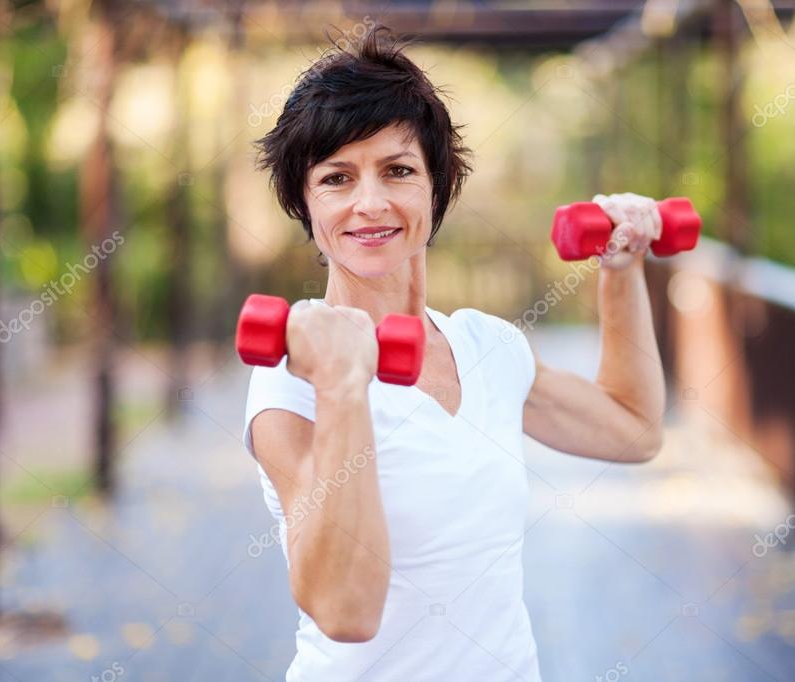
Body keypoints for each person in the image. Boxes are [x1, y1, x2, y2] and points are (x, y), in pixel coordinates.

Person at [242, 25, 666, 682]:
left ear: (437, 187)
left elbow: (633, 430)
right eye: (336, 178)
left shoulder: (486, 346)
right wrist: (344, 387)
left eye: (398, 170)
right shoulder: (291, 382)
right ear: (305, 203)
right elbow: (345, 611)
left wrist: (620, 269)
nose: (370, 203)